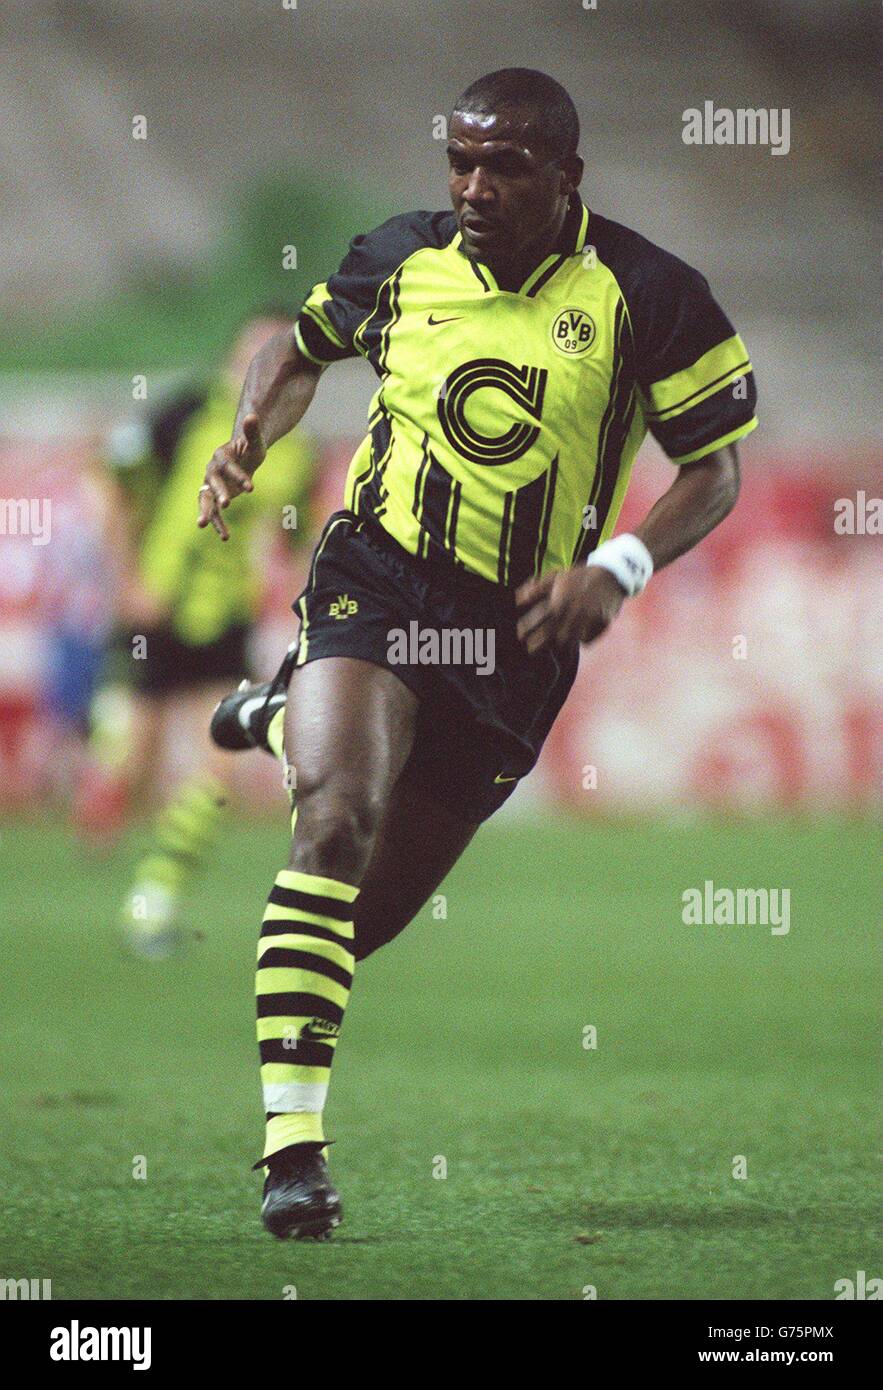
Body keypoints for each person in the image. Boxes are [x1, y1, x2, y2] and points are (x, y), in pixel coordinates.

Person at [198, 69, 757, 1239]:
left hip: (519, 636)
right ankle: (292, 1156)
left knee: (358, 921)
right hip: (379, 580)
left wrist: (618, 567)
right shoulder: (399, 259)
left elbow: (712, 470)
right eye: (460, 161)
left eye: (505, 166)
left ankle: (283, 715)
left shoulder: (650, 293)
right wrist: (250, 430)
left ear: (566, 175)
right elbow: (295, 353)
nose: (474, 187)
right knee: (331, 829)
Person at [78, 309, 315, 955]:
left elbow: (297, 537)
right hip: (158, 610)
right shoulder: (183, 413)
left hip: (226, 621)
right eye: (253, 350)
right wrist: (128, 578)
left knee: (219, 772)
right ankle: (107, 762)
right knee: (135, 764)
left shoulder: (296, 449)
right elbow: (113, 482)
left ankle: (154, 899)